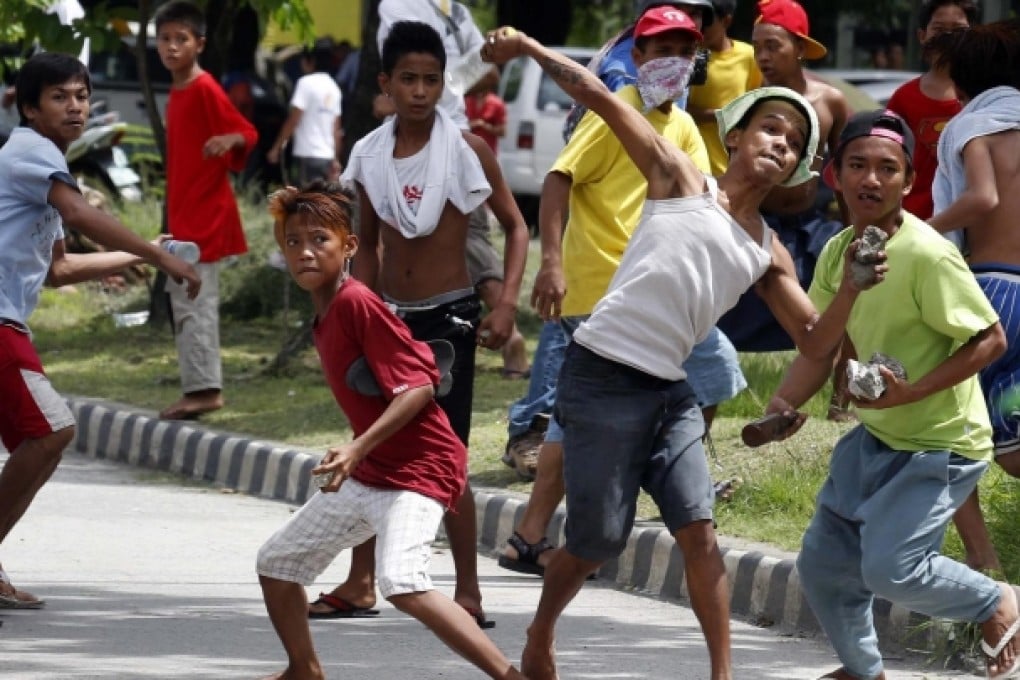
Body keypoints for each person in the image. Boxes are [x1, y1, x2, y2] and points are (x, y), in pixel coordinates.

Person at [482, 24, 883, 680]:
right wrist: (528, 48)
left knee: (700, 532)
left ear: (798, 169)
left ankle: (720, 674)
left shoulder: (767, 249)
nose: (780, 143)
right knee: (597, 541)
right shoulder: (679, 178)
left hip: (669, 394)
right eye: (770, 129)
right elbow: (597, 93)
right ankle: (540, 636)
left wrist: (853, 290)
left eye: (793, 143)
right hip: (602, 375)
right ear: (735, 138)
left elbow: (815, 337)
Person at [760, 109, 1020, 680]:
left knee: (893, 570)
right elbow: (820, 346)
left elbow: (990, 338)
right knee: (825, 568)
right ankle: (862, 670)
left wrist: (912, 393)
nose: (870, 180)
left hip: (942, 443)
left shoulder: (928, 254)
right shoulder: (837, 251)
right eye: (857, 165)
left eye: (887, 169)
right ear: (835, 175)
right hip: (879, 437)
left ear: (908, 181)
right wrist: (781, 405)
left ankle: (995, 602)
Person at [255, 183, 528, 680]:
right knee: (277, 563)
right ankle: (304, 669)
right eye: (293, 242)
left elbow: (419, 388)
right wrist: (358, 454)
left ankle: (511, 677)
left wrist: (357, 447)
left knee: (402, 582)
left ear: (350, 247)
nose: (305, 252)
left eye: (320, 239)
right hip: (375, 472)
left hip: (421, 468)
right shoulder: (325, 310)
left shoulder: (358, 302)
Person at [499, 4, 722, 573]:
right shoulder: (617, 112)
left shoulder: (685, 127)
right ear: (638, 55)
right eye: (661, 49)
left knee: (573, 421)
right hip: (601, 289)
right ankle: (650, 493)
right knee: (705, 372)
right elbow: (557, 180)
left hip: (646, 292)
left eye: (683, 50)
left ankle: (529, 535)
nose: (672, 60)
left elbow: (696, 204)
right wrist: (550, 264)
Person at [323, 20, 529, 626]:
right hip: (388, 319)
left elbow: (517, 227)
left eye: (431, 80)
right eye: (407, 79)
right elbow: (364, 243)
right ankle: (361, 581)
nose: (419, 90)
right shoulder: (367, 153)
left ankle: (467, 590)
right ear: (384, 83)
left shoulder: (467, 150)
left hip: (450, 318)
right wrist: (355, 307)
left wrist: (506, 303)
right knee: (374, 444)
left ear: (444, 85)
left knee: (447, 455)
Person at [0, 52, 200, 609]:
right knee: (51, 432)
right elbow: (83, 215)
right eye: (60, 97)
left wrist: (131, 256)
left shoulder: (45, 165)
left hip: (7, 321)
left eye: (82, 96)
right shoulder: (31, 153)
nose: (75, 107)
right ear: (30, 107)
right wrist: (161, 261)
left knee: (40, 440)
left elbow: (60, 269)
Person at [719, 0, 852, 419]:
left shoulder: (831, 101)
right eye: (757, 47)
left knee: (847, 305)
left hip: (811, 226)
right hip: (757, 223)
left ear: (799, 47)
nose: (762, 57)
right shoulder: (754, 101)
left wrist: (852, 231)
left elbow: (847, 169)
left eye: (773, 46)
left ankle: (841, 396)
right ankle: (705, 382)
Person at [926, 20, 1020, 576]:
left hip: (988, 293)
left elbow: (981, 198)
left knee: (946, 429)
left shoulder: (974, 128)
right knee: (1011, 447)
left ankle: (983, 563)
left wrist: (919, 227)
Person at [154, 0, 258, 421]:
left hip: (204, 220)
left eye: (181, 39)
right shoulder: (178, 90)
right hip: (185, 217)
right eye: (165, 39)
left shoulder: (204, 87)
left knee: (195, 303)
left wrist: (230, 140)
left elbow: (247, 131)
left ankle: (205, 391)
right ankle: (196, 386)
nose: (172, 47)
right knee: (185, 304)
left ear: (200, 43)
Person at [464, 65, 530, 379]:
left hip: (473, 167)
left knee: (473, 245)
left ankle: (511, 335)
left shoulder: (475, 97)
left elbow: (516, 226)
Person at [886, 0, 978, 222]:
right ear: (922, 36)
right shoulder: (904, 98)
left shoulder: (984, 95)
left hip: (974, 225)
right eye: (939, 29)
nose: (948, 37)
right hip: (913, 222)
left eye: (958, 30)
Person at [687, 0, 763, 176]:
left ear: (726, 21)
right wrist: (719, 115)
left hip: (729, 168)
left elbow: (753, 109)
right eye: (696, 17)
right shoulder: (685, 54)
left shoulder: (749, 57)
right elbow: (676, 109)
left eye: (707, 20)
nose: (699, 27)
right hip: (690, 166)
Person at [267, 38, 343, 186]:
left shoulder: (305, 83)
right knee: (320, 204)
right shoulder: (334, 89)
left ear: (310, 60)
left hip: (306, 155)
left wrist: (277, 147)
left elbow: (294, 119)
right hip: (326, 157)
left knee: (303, 203)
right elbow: (336, 129)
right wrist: (336, 158)